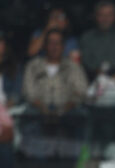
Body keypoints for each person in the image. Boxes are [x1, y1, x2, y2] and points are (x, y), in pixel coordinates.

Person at [21, 30, 90, 158]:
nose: (54, 46)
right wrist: (43, 108)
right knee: (27, 116)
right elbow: (28, 92)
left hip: (68, 109)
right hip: (38, 109)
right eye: (51, 43)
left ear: (63, 46)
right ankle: (35, 161)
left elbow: (81, 92)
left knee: (81, 117)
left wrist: (67, 106)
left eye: (58, 43)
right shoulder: (33, 65)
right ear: (45, 46)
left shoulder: (73, 66)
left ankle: (72, 161)